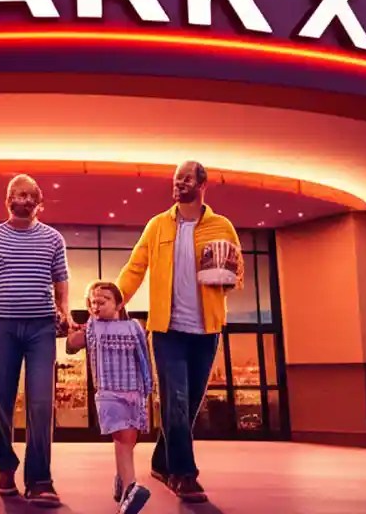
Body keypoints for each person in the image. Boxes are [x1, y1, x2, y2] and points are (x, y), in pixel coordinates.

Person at [116, 161, 243, 504]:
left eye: (187, 178)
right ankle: (184, 475)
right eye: (176, 179)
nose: (179, 183)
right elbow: (135, 267)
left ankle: (161, 460)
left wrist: (225, 274)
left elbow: (237, 271)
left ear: (203, 185)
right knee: (175, 400)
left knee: (187, 407)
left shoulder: (221, 225)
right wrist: (114, 299)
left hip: (207, 330)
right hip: (167, 329)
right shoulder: (158, 225)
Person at [0, 174, 74, 508]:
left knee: (40, 403)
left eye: (26, 194)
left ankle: (40, 480)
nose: (19, 198)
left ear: (38, 201)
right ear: (6, 200)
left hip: (41, 329)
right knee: (0, 403)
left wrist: (65, 312)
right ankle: (6, 465)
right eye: (14, 193)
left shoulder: (53, 239)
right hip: (1, 327)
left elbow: (61, 284)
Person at [66, 281, 153, 514]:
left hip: (134, 392)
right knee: (123, 439)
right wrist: (72, 329)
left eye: (102, 301)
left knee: (129, 440)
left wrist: (147, 387)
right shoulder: (92, 327)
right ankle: (131, 489)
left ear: (118, 303)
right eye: (93, 302)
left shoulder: (134, 327)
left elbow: (144, 358)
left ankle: (122, 482)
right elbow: (72, 344)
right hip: (108, 394)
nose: (96, 306)